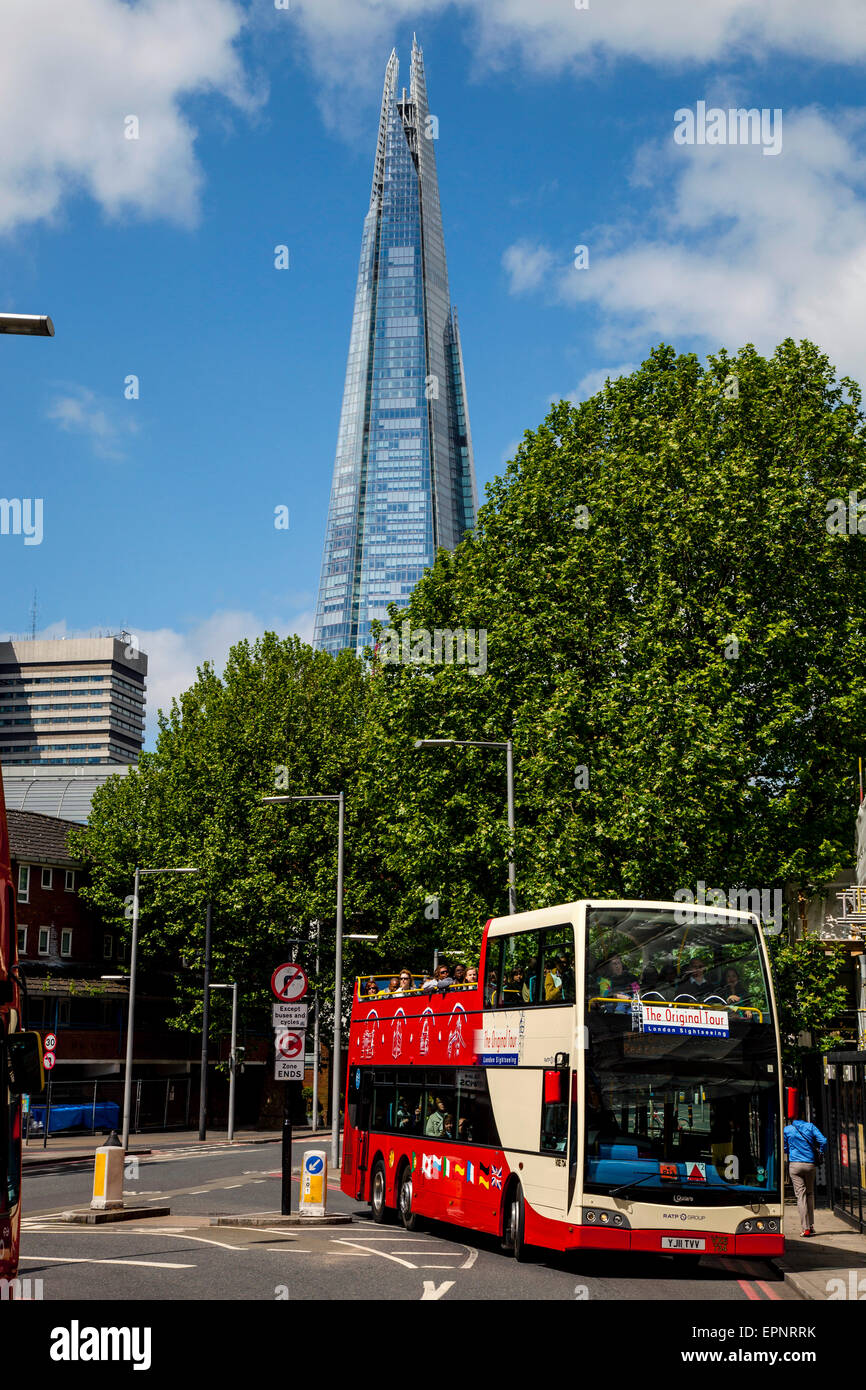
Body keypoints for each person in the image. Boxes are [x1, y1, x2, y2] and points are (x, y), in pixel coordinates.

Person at [784, 1115, 827, 1235]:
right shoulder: (810, 1126)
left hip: (795, 1165)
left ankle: (805, 1228)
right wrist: (821, 1151)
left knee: (800, 1195)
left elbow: (785, 1147)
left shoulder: (787, 1129)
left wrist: (791, 1150)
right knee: (809, 1194)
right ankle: (811, 1225)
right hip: (809, 1165)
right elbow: (823, 1141)